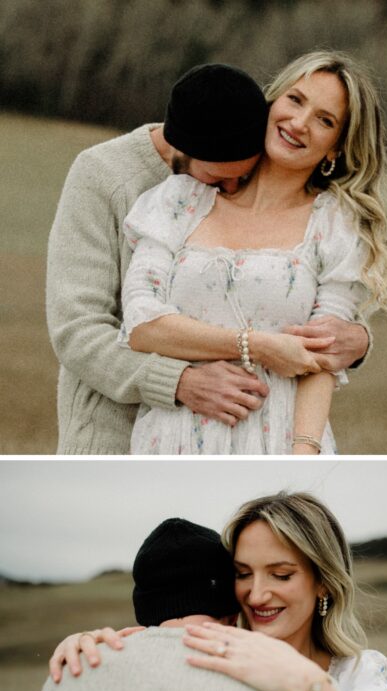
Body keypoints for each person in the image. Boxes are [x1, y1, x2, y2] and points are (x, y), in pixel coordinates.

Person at [45, 62, 370, 454]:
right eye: (220, 181)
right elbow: (77, 330)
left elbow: (297, 306)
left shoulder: (237, 146)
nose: (230, 188)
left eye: (323, 119)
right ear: (184, 150)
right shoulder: (111, 177)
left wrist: (359, 340)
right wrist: (181, 380)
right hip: (112, 438)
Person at [117, 51, 387, 453]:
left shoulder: (335, 225)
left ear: (336, 148)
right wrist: (258, 346)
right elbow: (143, 326)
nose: (299, 123)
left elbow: (321, 359)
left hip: (279, 437)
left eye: (325, 120)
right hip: (172, 437)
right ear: (272, 102)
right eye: (295, 100)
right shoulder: (180, 199)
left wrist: (304, 454)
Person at [48, 493, 387, 691]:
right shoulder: (218, 656)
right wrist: (96, 648)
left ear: (324, 583)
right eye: (242, 574)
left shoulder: (362, 676)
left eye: (281, 574)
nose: (257, 594)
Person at [35, 517, 324, 691]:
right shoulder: (283, 688)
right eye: (245, 575)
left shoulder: (67, 673)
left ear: (144, 611)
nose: (258, 596)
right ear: (233, 609)